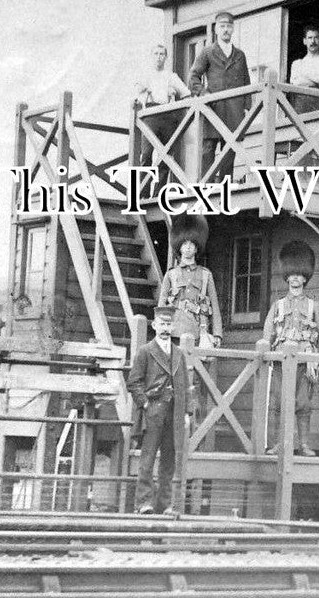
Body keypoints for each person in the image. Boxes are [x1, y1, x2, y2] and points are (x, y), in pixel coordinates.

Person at [260, 240, 319, 456]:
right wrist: (267, 357)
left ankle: (304, 444)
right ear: (287, 275)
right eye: (292, 273)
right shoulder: (278, 305)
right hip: (281, 363)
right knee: (279, 403)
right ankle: (279, 444)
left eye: (300, 273)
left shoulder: (313, 306)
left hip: (305, 363)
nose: (296, 278)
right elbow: (267, 334)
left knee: (303, 403)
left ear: (305, 276)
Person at [127, 305, 195, 514]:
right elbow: (134, 382)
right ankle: (144, 503)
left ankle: (164, 504)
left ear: (173, 326)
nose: (165, 328)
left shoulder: (179, 354)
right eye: (162, 324)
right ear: (154, 325)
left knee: (169, 459)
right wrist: (146, 404)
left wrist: (187, 413)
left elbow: (185, 385)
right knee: (147, 460)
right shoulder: (145, 352)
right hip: (153, 412)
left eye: (168, 324)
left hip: (174, 413)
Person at [189, 12, 251, 182]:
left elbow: (246, 81)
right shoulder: (208, 52)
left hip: (234, 110)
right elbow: (193, 77)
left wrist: (247, 106)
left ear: (233, 29)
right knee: (208, 149)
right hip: (213, 109)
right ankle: (206, 187)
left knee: (229, 150)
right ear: (216, 29)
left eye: (229, 26)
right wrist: (204, 94)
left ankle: (225, 188)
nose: (226, 30)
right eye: (222, 26)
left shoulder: (240, 55)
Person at [158, 214, 222, 348]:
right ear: (179, 247)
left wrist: (217, 334)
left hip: (198, 332)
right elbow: (162, 306)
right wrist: (161, 332)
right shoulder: (171, 274)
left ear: (197, 247)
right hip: (174, 332)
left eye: (191, 244)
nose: (188, 247)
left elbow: (215, 307)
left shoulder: (205, 275)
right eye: (184, 243)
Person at [134, 43, 190, 190]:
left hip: (166, 115)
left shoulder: (170, 76)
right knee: (146, 154)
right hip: (150, 114)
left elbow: (186, 93)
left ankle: (158, 192)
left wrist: (175, 95)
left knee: (165, 156)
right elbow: (137, 92)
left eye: (162, 54)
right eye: (156, 54)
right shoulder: (146, 74)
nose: (159, 57)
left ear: (166, 57)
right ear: (151, 56)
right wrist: (144, 89)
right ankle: (143, 191)